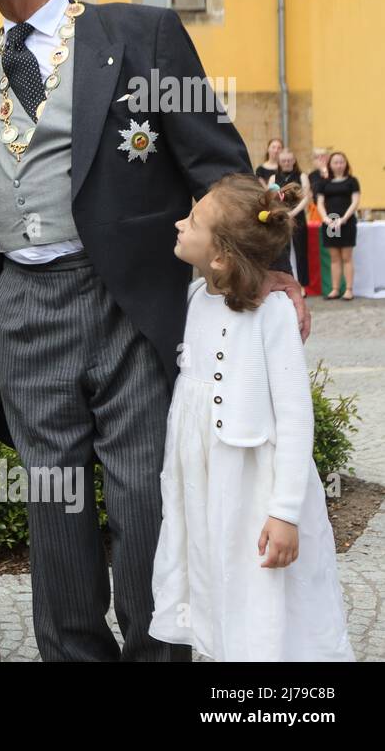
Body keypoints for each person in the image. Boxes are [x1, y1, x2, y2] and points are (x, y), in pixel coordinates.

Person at [0, 0, 308, 661]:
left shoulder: (138, 33)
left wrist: (271, 269)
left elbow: (217, 160)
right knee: (52, 501)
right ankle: (72, 653)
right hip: (23, 306)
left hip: (127, 301)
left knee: (145, 492)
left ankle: (158, 651)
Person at [149, 174, 354, 661]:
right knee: (217, 584)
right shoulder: (195, 300)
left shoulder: (273, 314)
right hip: (205, 485)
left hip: (254, 488)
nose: (180, 222)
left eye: (193, 220)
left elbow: (295, 415)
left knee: (265, 590)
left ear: (219, 256)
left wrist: (285, 512)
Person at [317, 151, 361, 300]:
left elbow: (355, 202)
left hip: (346, 223)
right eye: (335, 162)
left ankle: (349, 289)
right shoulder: (324, 183)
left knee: (347, 257)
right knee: (334, 258)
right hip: (330, 224)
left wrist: (343, 219)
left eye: (341, 162)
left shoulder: (352, 181)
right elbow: (320, 203)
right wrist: (325, 219)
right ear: (330, 165)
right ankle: (335, 289)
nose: (339, 165)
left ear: (346, 164)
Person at [273, 148, 311, 289]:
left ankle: (302, 285)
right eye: (284, 160)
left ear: (294, 161)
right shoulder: (274, 178)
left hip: (298, 218)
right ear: (279, 162)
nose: (287, 163)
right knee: (283, 253)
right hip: (281, 220)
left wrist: (293, 213)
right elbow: (271, 198)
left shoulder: (302, 176)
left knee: (301, 252)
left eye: (289, 160)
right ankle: (286, 284)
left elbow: (306, 197)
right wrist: (281, 213)